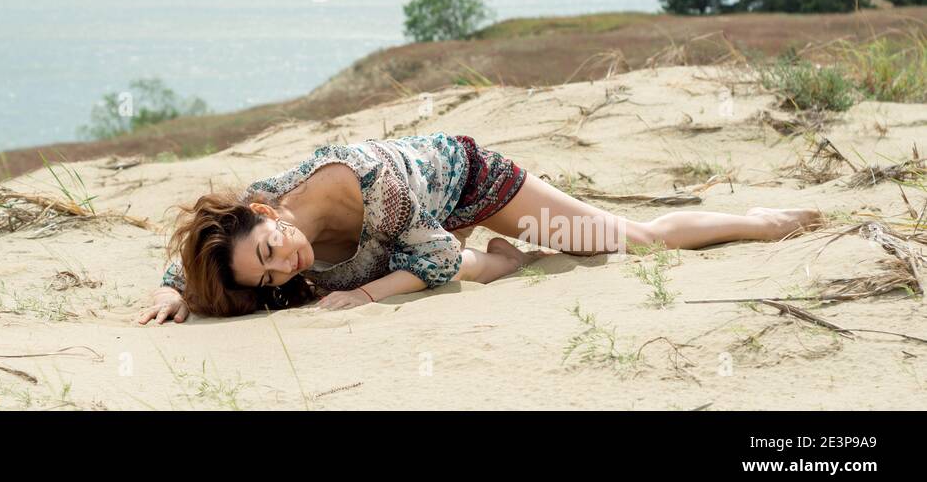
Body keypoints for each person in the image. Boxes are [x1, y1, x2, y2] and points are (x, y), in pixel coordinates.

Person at [134, 132, 822, 324]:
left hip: (468, 182)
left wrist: (366, 297)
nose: (285, 265)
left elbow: (432, 260)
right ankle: (505, 263)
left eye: (273, 249)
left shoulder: (371, 184)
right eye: (271, 271)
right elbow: (214, 250)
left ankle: (761, 223)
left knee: (625, 241)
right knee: (461, 266)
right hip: (414, 234)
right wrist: (174, 289)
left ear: (270, 215)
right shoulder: (248, 225)